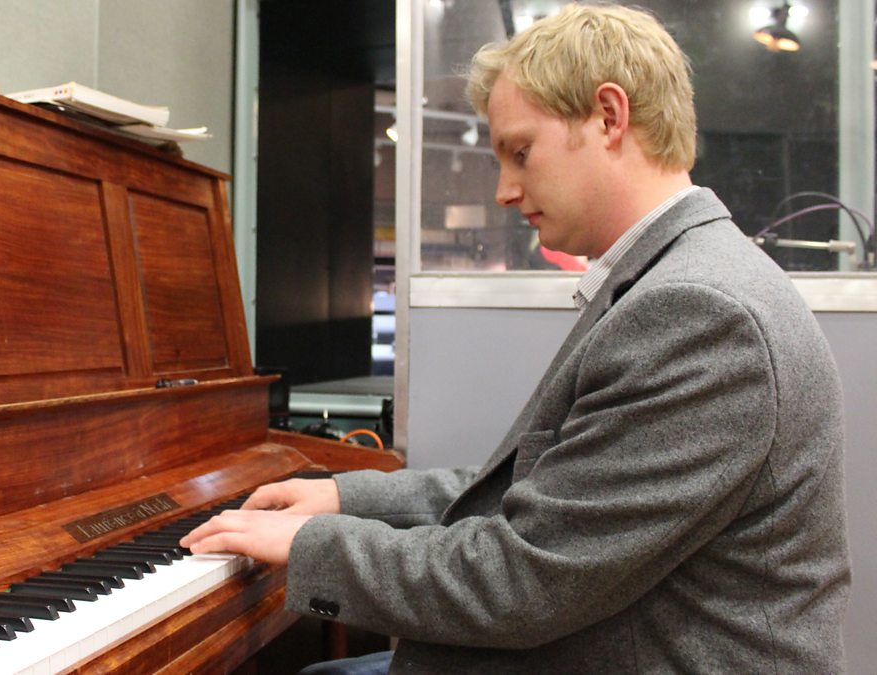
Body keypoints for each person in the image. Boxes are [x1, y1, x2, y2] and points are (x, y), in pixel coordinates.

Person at [182, 3, 851, 673]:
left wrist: (311, 549)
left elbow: (519, 585)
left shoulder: (698, 311)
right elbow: (541, 490)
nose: (504, 189)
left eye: (520, 152)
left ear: (609, 118)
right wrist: (343, 495)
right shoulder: (676, 278)